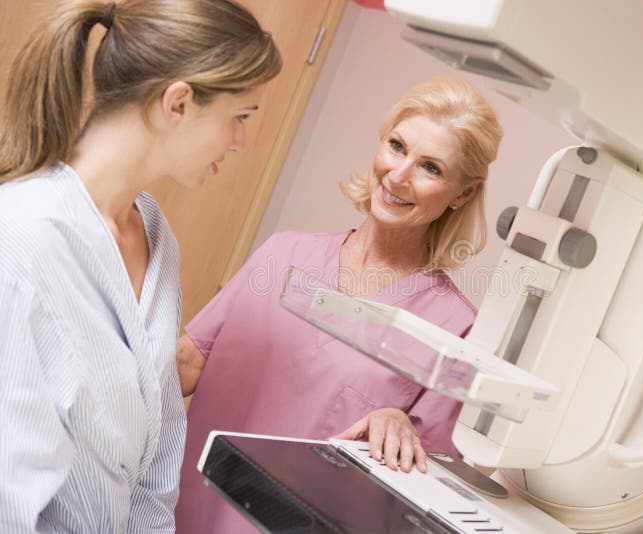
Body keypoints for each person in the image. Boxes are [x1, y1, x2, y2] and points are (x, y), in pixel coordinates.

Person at [175, 77, 503, 533]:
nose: (398, 175)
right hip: (174, 514)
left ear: (463, 193)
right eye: (397, 146)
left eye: (430, 168)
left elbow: (424, 489)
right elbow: (186, 363)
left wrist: (395, 424)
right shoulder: (283, 255)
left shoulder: (455, 328)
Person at [0, 0, 280, 531]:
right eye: (239, 117)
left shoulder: (155, 237)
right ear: (178, 103)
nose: (240, 142)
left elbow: (161, 439)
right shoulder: (19, 239)